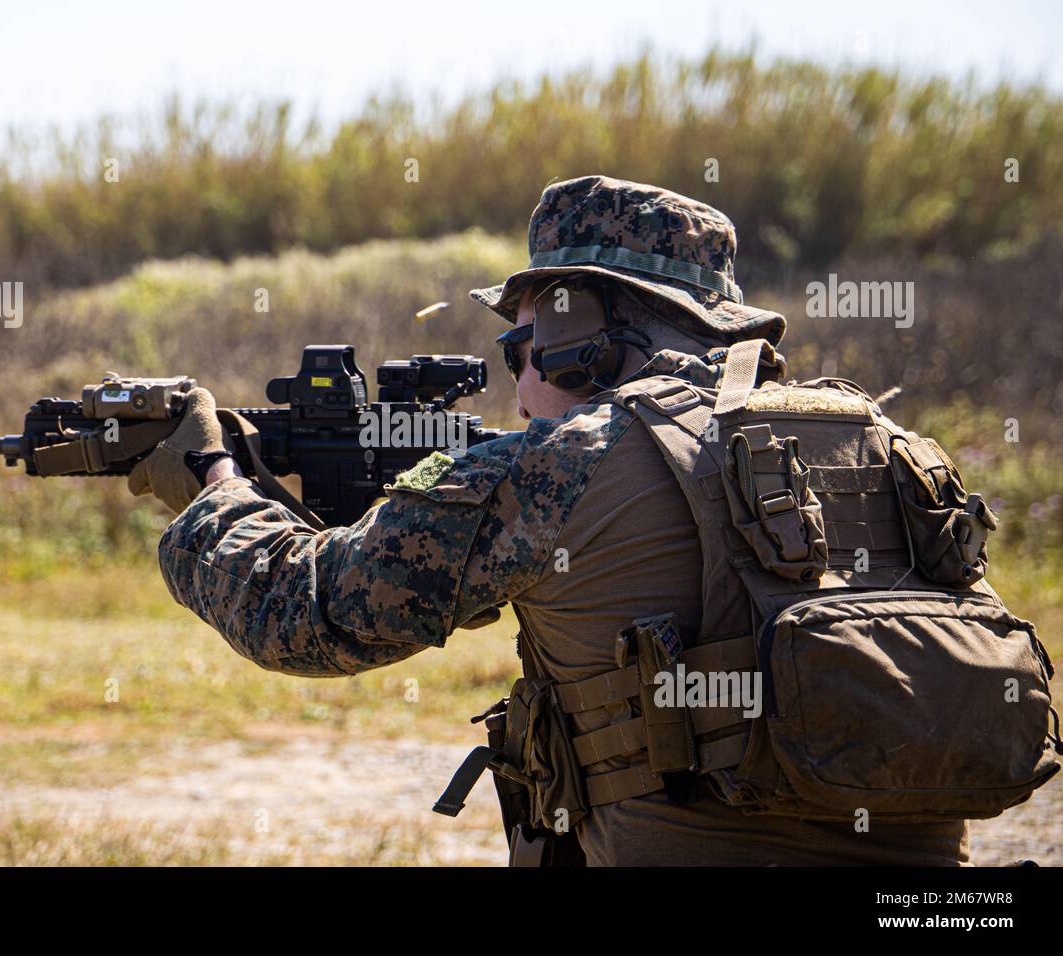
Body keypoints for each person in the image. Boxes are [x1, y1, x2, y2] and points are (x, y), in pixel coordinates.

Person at [128, 175, 969, 865]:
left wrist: (212, 479)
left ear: (578, 337)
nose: (519, 386)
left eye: (520, 351)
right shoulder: (885, 442)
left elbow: (307, 615)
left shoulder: (566, 463)